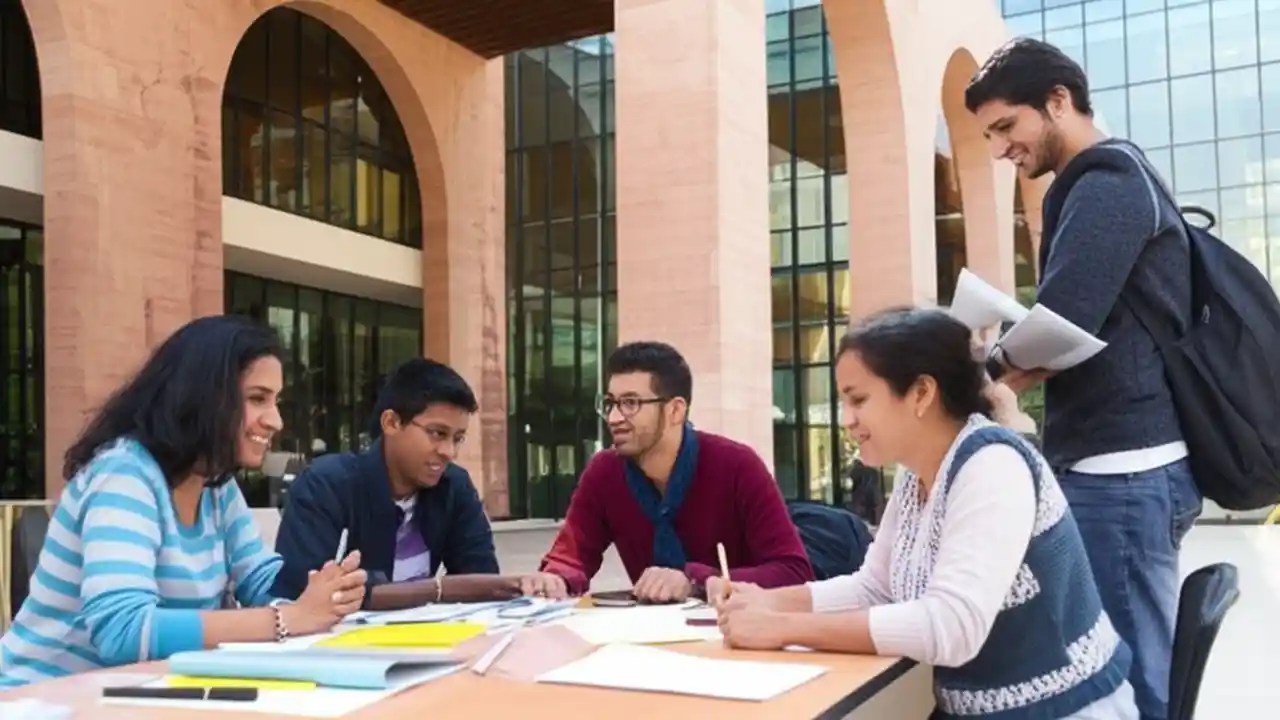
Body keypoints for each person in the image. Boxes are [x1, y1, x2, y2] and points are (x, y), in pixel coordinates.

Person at [712, 308, 1137, 719]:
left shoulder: (993, 466)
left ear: (921, 393)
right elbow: (874, 589)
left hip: (1062, 710)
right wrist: (768, 600)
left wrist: (783, 626)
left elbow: (952, 628)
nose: (847, 420)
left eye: (858, 399)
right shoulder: (919, 474)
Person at [965, 38, 1200, 719]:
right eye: (987, 134)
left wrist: (983, 370)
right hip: (1117, 468)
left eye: (1007, 126)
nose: (1000, 148)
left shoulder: (1109, 182)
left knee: (1127, 679)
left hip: (1126, 470)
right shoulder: (1098, 184)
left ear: (1059, 101)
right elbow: (1076, 332)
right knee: (1114, 667)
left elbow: (1065, 316)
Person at [0, 316, 365, 688]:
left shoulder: (215, 486)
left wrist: (326, 588)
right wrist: (288, 619)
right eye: (257, 399)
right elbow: (122, 631)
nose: (275, 421)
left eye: (276, 401)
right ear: (204, 395)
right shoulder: (125, 474)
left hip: (137, 695)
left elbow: (261, 581)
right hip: (41, 697)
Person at [523, 341, 814, 602]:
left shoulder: (737, 465)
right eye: (610, 403)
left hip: (742, 634)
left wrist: (696, 580)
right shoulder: (605, 472)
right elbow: (570, 558)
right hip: (654, 640)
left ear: (676, 410)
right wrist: (555, 578)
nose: (613, 418)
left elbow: (795, 572)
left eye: (631, 403)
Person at [273, 358, 528, 609]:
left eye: (458, 438)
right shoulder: (326, 484)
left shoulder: (453, 486)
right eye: (437, 434)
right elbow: (301, 591)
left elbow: (483, 581)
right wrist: (437, 590)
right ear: (391, 423)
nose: (448, 451)